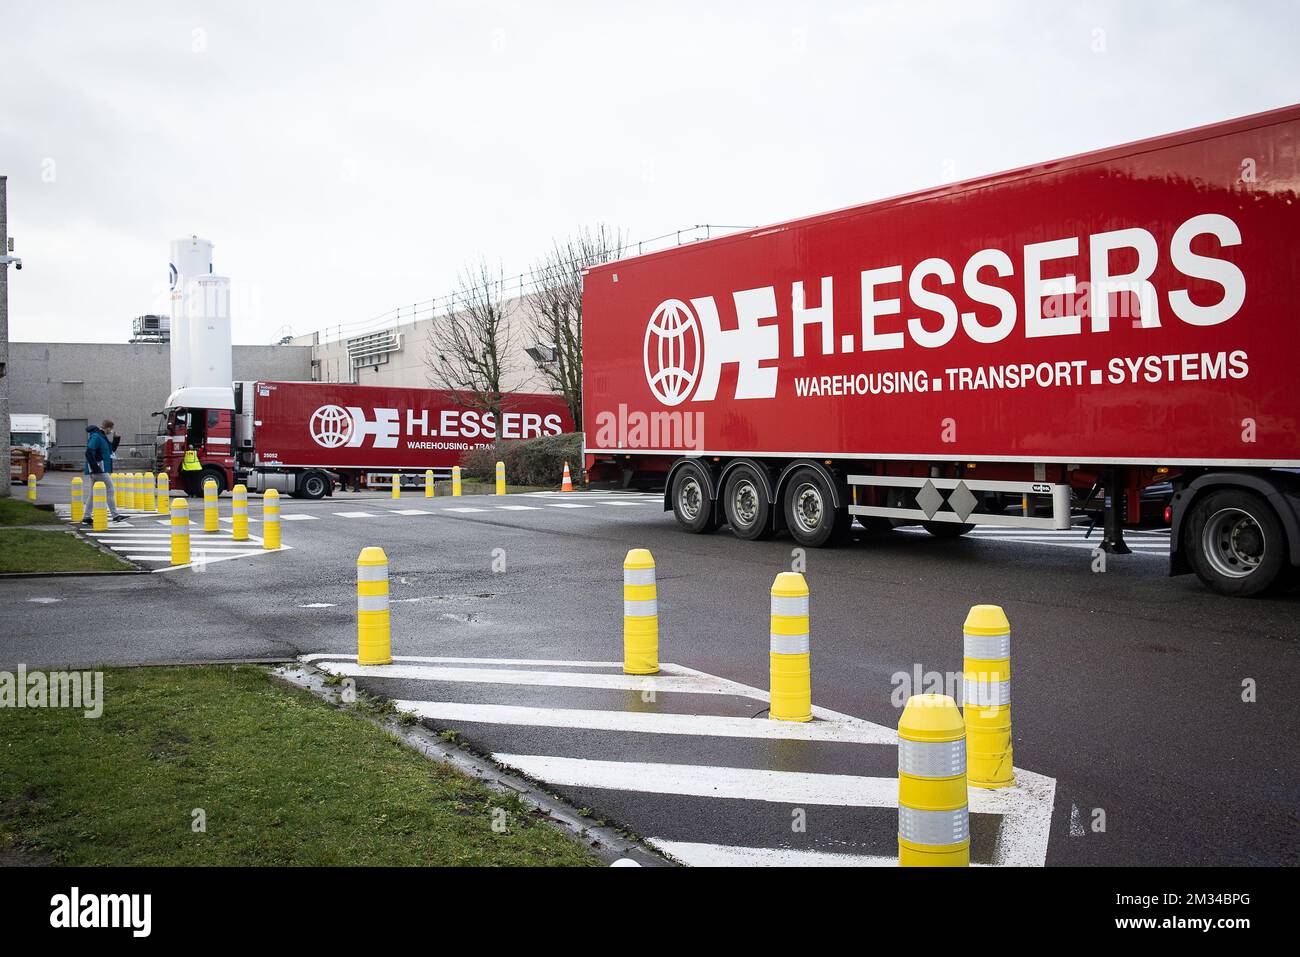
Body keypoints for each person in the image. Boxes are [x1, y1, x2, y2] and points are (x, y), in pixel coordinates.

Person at [83, 420, 126, 523]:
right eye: (110, 429)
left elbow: (111, 449)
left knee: (93, 494)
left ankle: (87, 517)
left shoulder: (102, 437)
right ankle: (115, 515)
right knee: (110, 489)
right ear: (107, 428)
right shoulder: (97, 436)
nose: (111, 431)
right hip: (99, 469)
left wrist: (116, 438)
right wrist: (95, 468)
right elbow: (89, 452)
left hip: (97, 469)